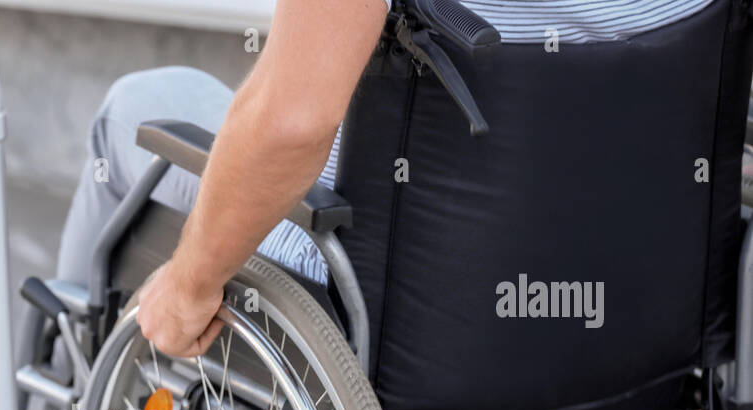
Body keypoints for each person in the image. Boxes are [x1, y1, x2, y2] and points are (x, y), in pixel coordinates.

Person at [54, 0, 718, 357]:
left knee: (139, 106)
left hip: (409, 293)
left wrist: (190, 284)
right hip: (648, 291)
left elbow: (293, 122)